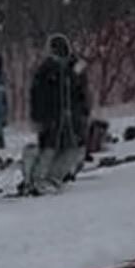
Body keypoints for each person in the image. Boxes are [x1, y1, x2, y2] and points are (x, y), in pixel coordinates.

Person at [20, 33, 92, 195]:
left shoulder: (75, 68)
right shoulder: (45, 70)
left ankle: (55, 177)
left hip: (71, 117)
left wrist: (84, 110)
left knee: (73, 149)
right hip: (52, 116)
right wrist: (38, 117)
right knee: (49, 148)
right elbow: (37, 95)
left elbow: (82, 92)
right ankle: (37, 179)